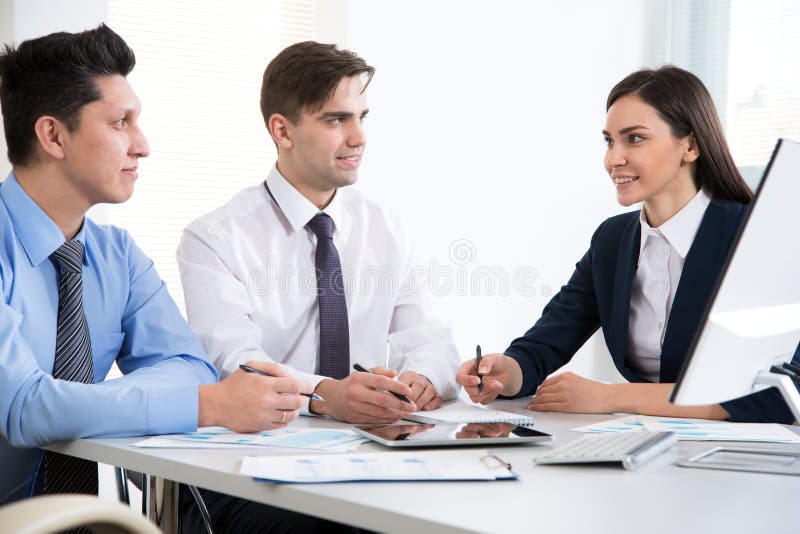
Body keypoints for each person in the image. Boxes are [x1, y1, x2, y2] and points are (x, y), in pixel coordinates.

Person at [0, 24, 357, 533]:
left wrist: (86, 404)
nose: (142, 146)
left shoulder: (117, 255)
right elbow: (23, 407)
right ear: (53, 135)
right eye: (120, 123)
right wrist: (204, 405)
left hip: (83, 521)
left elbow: (190, 367)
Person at [456, 66, 796, 424]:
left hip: (746, 451)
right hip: (649, 441)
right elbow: (545, 344)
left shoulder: (756, 237)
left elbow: (780, 392)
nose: (613, 159)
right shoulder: (613, 240)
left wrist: (611, 396)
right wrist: (505, 372)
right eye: (609, 141)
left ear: (691, 146)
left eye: (634, 139)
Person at [177, 41, 460, 424]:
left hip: (376, 440)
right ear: (282, 130)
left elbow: (431, 339)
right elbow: (235, 362)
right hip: (268, 442)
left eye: (361, 117)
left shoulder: (388, 229)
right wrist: (325, 394)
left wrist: (422, 378)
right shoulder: (214, 239)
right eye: (337, 120)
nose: (359, 138)